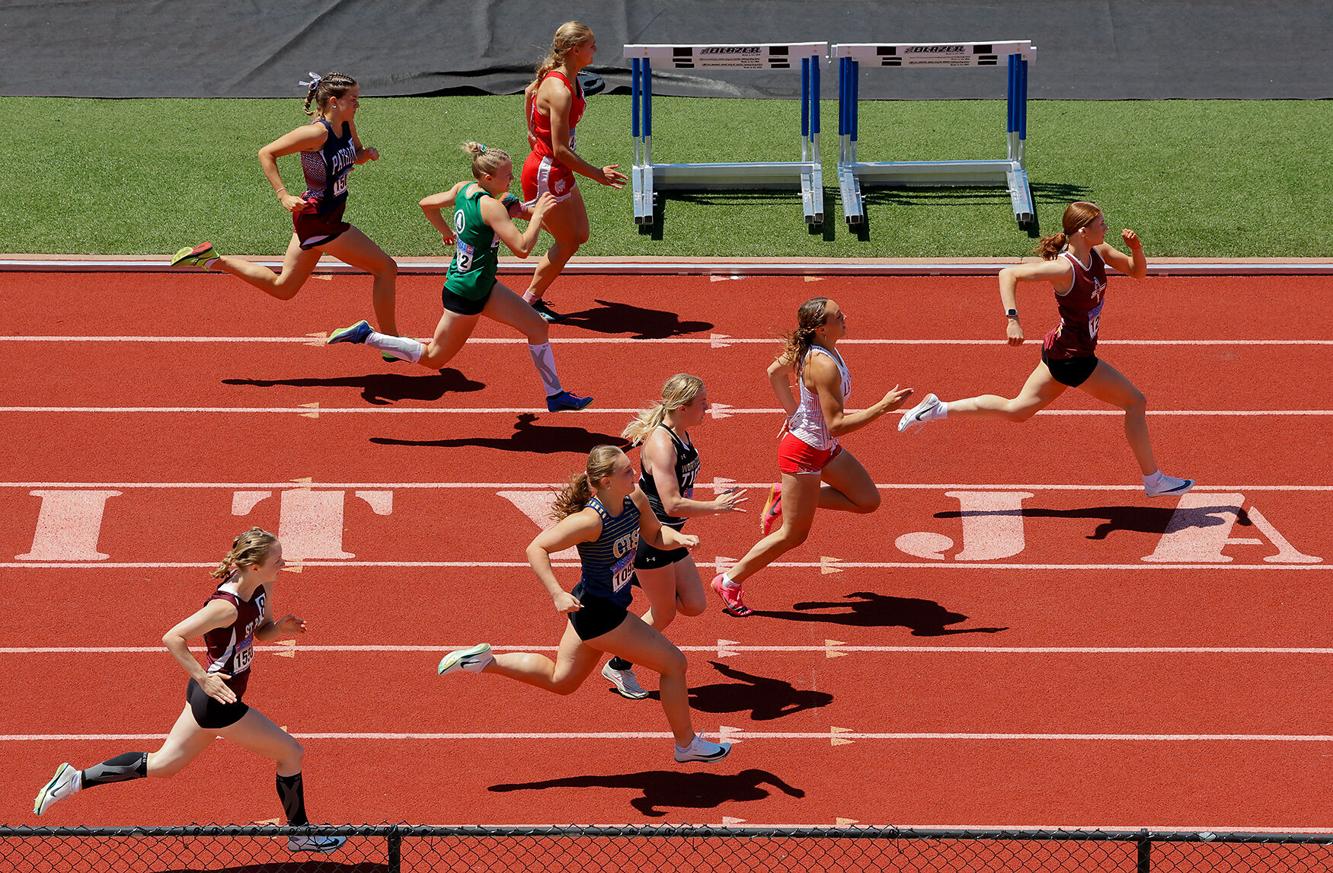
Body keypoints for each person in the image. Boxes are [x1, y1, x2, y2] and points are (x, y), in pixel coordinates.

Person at [32, 529, 345, 854]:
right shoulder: (225, 607)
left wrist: (278, 629)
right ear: (254, 566)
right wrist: (205, 678)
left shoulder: (262, 586)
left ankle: (75, 779)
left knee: (164, 765)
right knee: (290, 753)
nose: (284, 563)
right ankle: (300, 834)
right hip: (217, 700)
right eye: (277, 560)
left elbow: (261, 632)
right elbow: (173, 637)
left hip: (206, 698)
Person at [437, 445, 732, 764]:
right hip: (601, 616)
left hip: (589, 608)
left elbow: (656, 535)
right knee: (674, 664)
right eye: (626, 471)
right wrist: (556, 593)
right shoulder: (590, 521)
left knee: (561, 681)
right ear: (606, 482)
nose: (635, 474)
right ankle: (686, 745)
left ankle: (482, 662)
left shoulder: (635, 499)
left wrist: (680, 540)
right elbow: (536, 548)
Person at [898, 201, 1193, 498]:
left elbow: (1137, 272)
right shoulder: (1063, 268)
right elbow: (1007, 274)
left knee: (1017, 410)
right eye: (1100, 223)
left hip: (1060, 350)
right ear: (1082, 231)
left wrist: (1137, 248)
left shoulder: (1099, 252)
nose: (1106, 227)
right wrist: (1012, 319)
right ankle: (1153, 480)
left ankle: (937, 408)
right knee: (1135, 402)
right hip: (1074, 359)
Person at [324, 143, 592, 412]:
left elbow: (426, 204)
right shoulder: (491, 208)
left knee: (537, 326)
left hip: (481, 284)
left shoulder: (464, 188)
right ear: (488, 178)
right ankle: (367, 335)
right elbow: (522, 249)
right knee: (433, 358)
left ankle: (555, 395)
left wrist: (445, 231)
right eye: (507, 175)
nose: (512, 179)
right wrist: (539, 216)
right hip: (466, 293)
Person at [171, 73, 401, 353]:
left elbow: (357, 153)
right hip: (320, 220)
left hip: (320, 218)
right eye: (353, 99)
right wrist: (283, 195)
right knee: (386, 268)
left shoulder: (346, 123)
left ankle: (213, 260)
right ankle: (391, 343)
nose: (358, 104)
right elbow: (266, 153)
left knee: (283, 288)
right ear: (333, 101)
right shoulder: (316, 133)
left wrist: (367, 155)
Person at [711, 298, 913, 617]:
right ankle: (729, 579)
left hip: (824, 447)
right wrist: (883, 407)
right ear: (821, 328)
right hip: (804, 452)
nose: (845, 316)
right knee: (793, 534)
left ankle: (787, 496)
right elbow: (837, 424)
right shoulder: (824, 364)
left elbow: (774, 372)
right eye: (838, 315)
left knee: (867, 500)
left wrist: (796, 412)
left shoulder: (817, 346)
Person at [601, 374, 748, 699]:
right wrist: (716, 506)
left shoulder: (680, 431)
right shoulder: (662, 444)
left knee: (694, 604)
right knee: (665, 611)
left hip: (670, 539)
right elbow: (672, 503)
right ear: (682, 408)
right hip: (651, 538)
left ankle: (634, 577)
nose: (707, 408)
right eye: (702, 404)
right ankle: (619, 663)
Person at [518, 21, 628, 323]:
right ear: (575, 49)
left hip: (557, 170)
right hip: (548, 172)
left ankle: (528, 210)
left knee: (579, 234)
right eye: (591, 44)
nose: (596, 49)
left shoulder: (567, 77)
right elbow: (560, 150)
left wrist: (530, 128)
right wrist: (598, 175)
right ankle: (529, 301)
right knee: (567, 242)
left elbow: (529, 91)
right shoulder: (560, 91)